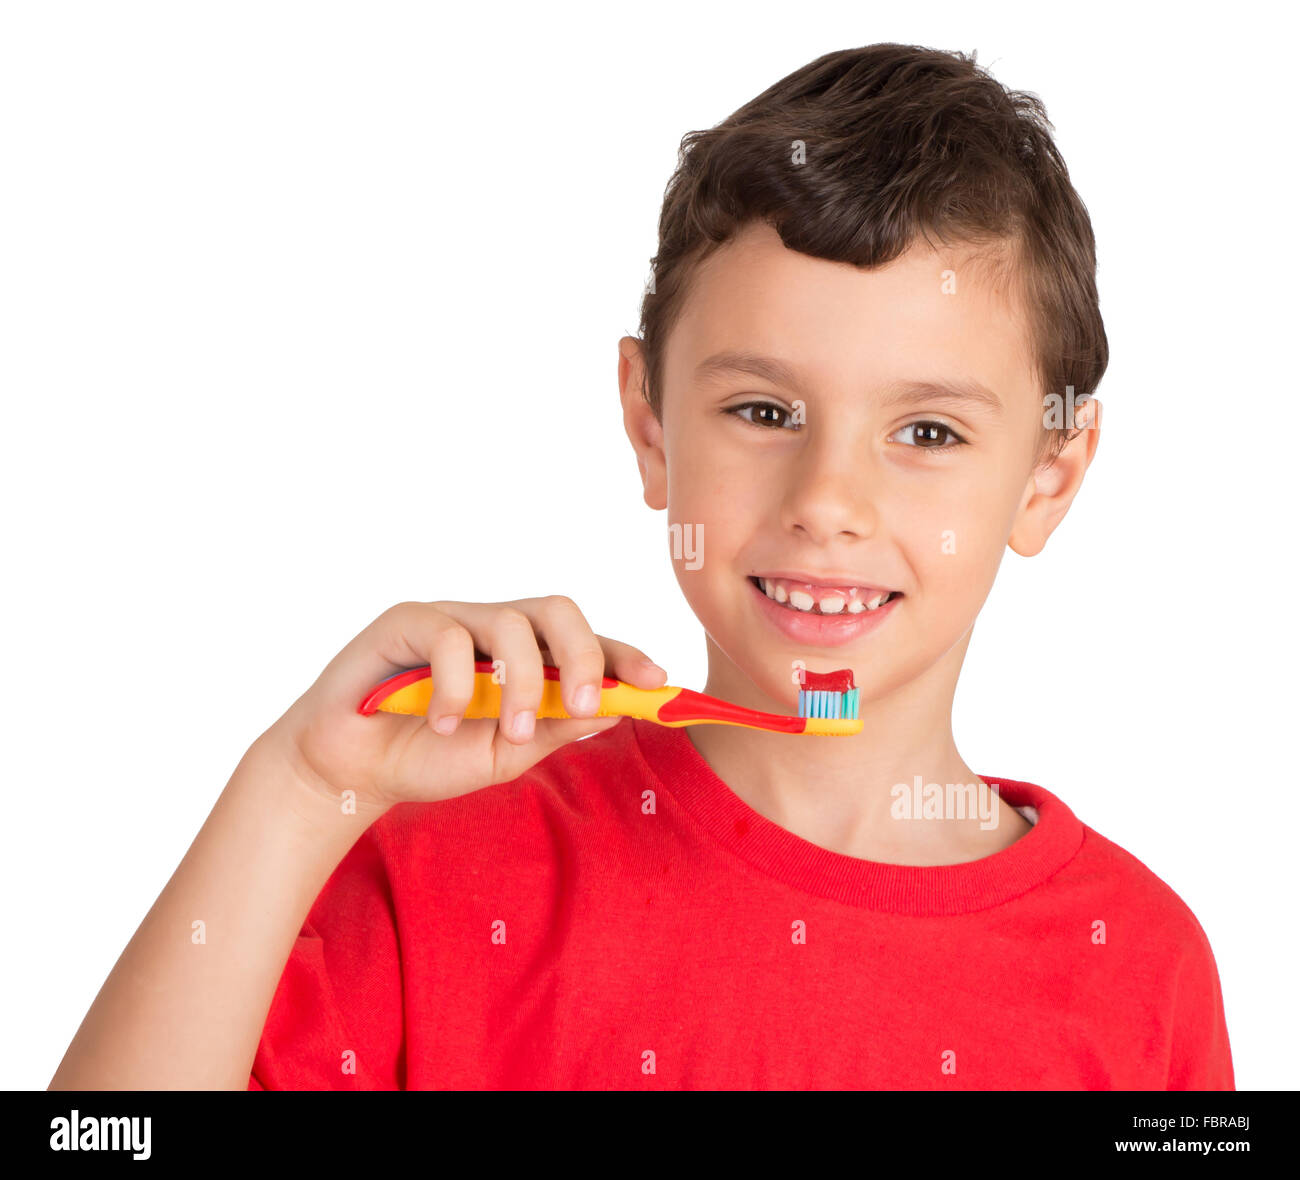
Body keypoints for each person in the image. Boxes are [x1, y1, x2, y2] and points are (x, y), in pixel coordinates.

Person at [49, 42, 1233, 1090]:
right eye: (764, 410)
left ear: (1049, 477)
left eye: (926, 433)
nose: (826, 503)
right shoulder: (445, 869)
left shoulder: (1138, 968)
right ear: (649, 426)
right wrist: (301, 789)